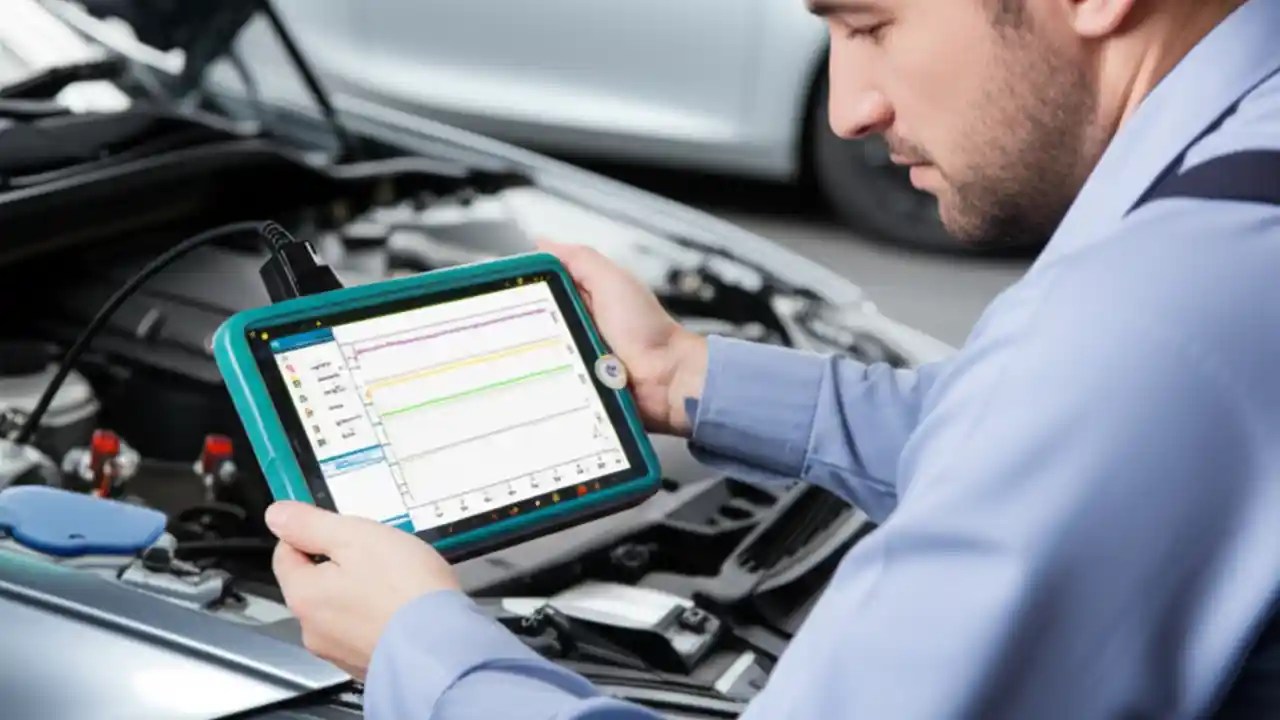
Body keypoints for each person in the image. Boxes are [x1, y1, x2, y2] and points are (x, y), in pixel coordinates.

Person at [263, 0, 1280, 717]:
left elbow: (1094, 405)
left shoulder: (1137, 328)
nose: (848, 110)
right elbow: (1047, 441)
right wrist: (680, 374)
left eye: (870, 25)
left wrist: (421, 655)